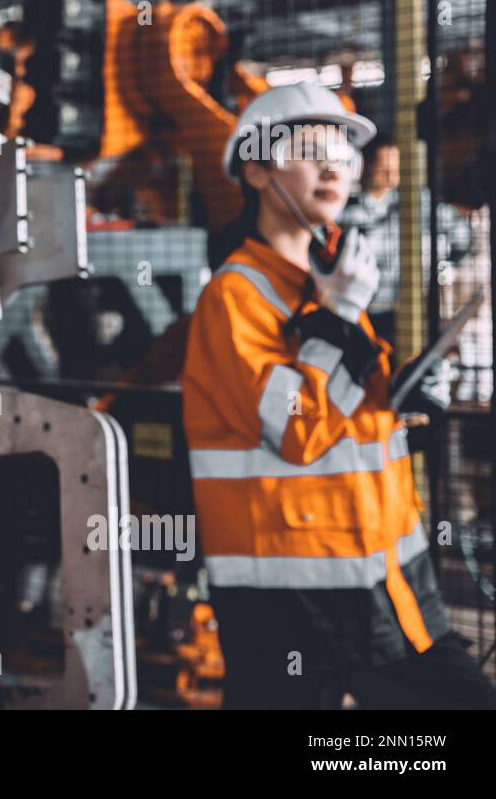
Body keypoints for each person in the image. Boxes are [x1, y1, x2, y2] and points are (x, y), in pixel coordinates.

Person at [182, 82, 495, 709]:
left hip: (385, 575)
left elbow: (345, 414)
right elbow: (294, 427)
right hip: (292, 600)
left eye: (341, 154)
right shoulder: (236, 297)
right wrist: (342, 311)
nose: (333, 166)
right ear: (256, 169)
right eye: (308, 149)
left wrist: (404, 392)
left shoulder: (319, 280)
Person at [339, 136, 472, 347]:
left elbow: (461, 234)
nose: (391, 176)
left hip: (408, 311)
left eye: (395, 169)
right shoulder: (346, 208)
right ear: (368, 167)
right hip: (361, 309)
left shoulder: (416, 201)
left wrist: (436, 262)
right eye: (384, 169)